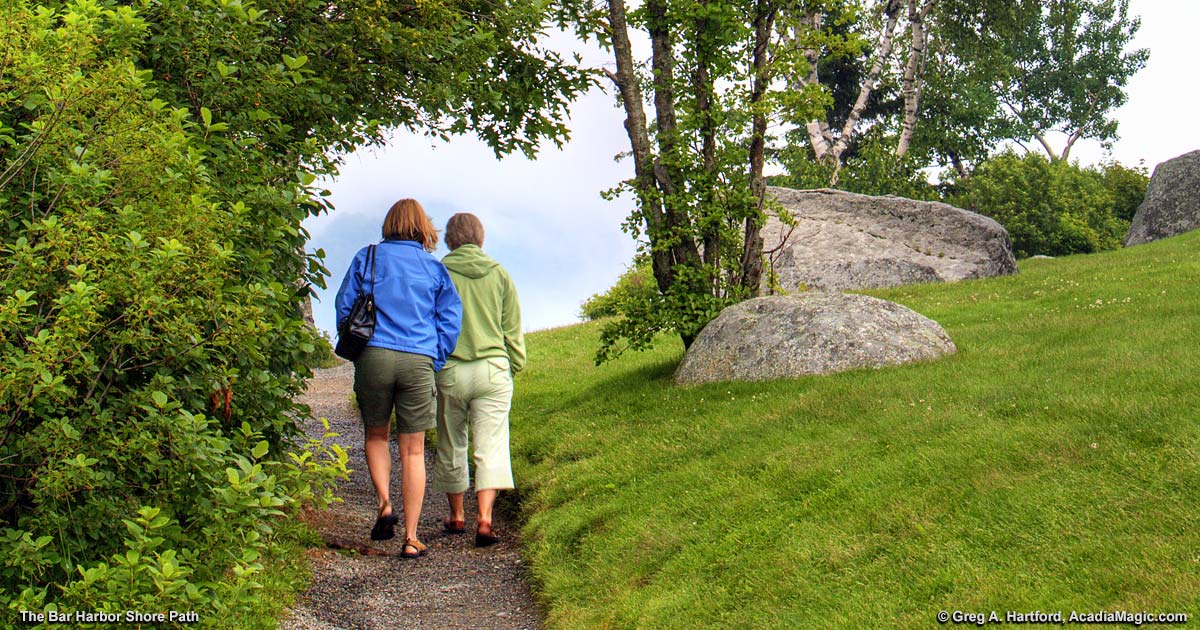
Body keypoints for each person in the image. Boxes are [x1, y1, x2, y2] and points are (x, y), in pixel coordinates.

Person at [334, 199, 461, 559]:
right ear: (422, 227)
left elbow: (345, 306)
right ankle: (411, 536)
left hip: (374, 355)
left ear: (389, 224)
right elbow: (449, 320)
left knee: (376, 434)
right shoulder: (434, 269)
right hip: (418, 359)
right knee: (414, 449)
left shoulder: (367, 257)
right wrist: (434, 357)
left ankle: (385, 503)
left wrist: (358, 347)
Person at [433, 212, 525, 547]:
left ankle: (457, 515)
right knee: (492, 445)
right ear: (480, 237)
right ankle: (485, 519)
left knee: (452, 441)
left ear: (450, 240)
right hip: (493, 369)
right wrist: (513, 365)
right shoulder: (499, 273)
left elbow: (432, 323)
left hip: (453, 369)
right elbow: (512, 329)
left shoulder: (440, 272)